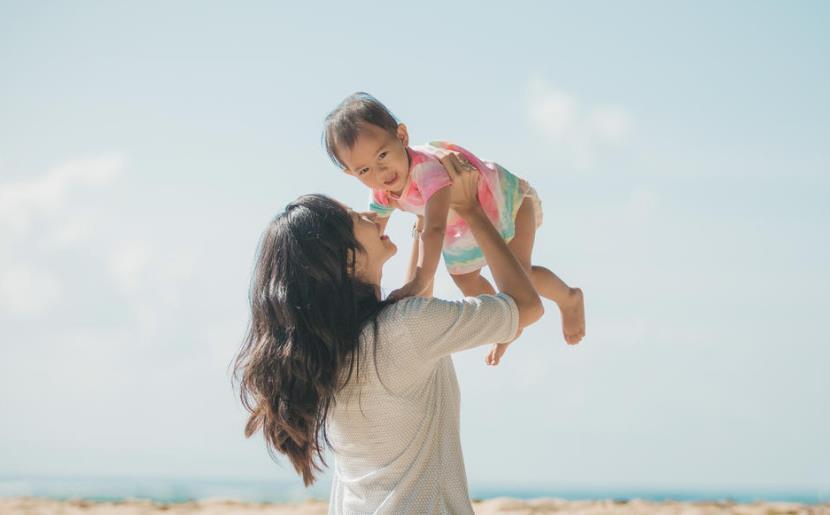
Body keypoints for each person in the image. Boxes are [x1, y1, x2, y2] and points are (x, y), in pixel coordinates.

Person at [233, 154, 544, 514]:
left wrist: (429, 211)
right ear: (349, 260)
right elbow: (526, 306)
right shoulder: (406, 329)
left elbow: (416, 298)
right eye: (356, 219)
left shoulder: (331, 352)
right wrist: (470, 209)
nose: (371, 214)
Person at [323, 92, 585, 365]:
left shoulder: (428, 171)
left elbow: (434, 228)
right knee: (465, 279)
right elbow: (372, 232)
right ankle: (504, 323)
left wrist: (420, 280)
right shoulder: (381, 191)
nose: (381, 173)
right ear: (351, 173)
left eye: (383, 155)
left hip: (506, 203)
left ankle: (568, 297)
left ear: (402, 136)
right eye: (364, 171)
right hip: (461, 226)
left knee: (521, 275)